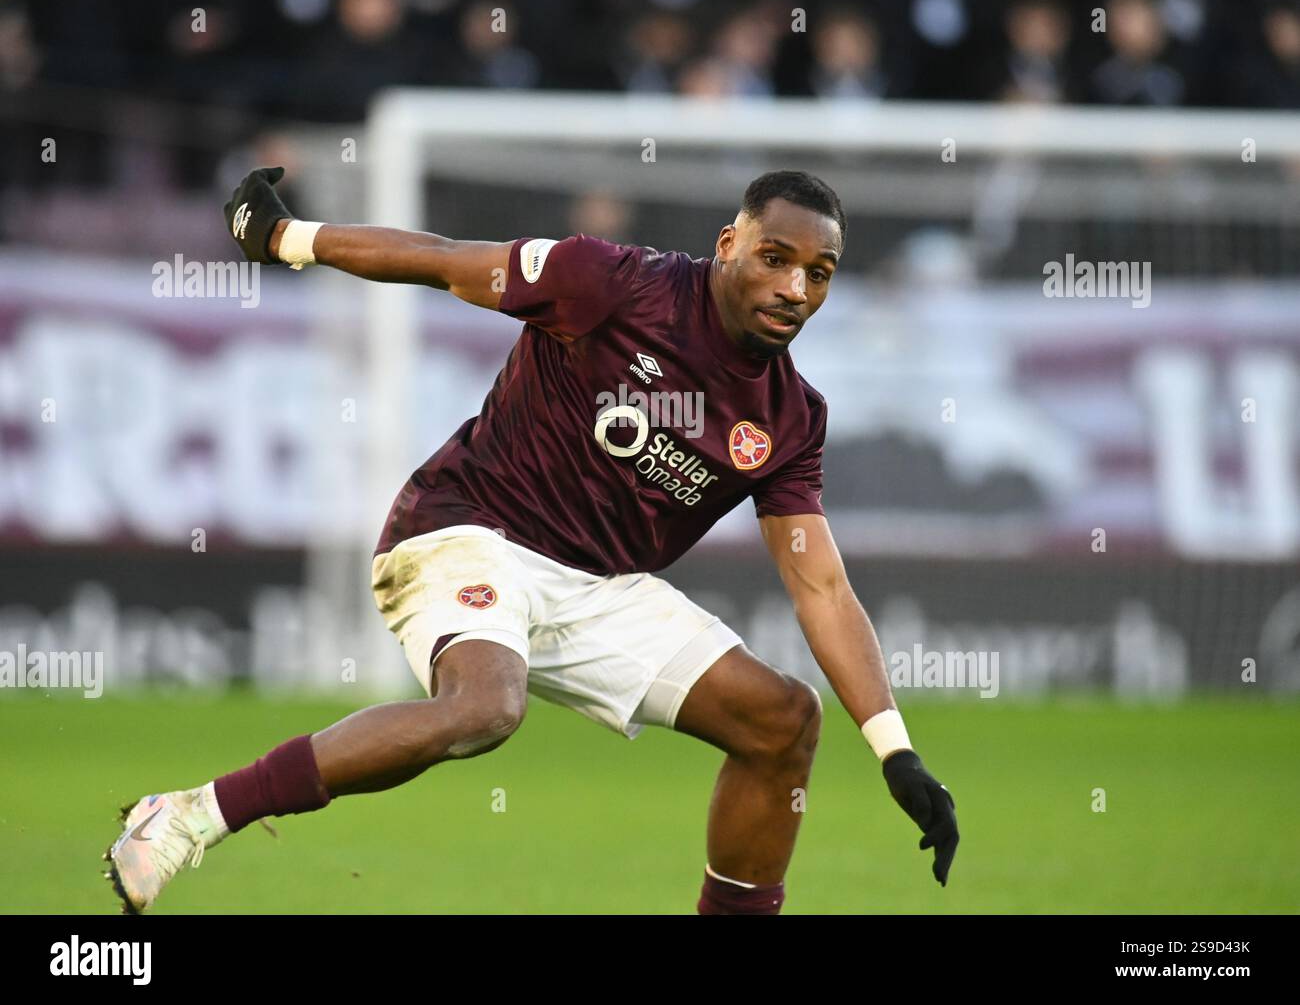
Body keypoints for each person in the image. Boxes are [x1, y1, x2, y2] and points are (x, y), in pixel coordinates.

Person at [105, 166, 959, 915]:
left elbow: (821, 588)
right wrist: (289, 237)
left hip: (599, 587)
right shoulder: (612, 283)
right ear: (729, 242)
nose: (796, 289)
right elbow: (444, 260)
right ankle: (193, 812)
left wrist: (897, 750)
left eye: (820, 273)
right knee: (485, 707)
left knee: (781, 721)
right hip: (467, 527)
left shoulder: (789, 417)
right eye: (776, 258)